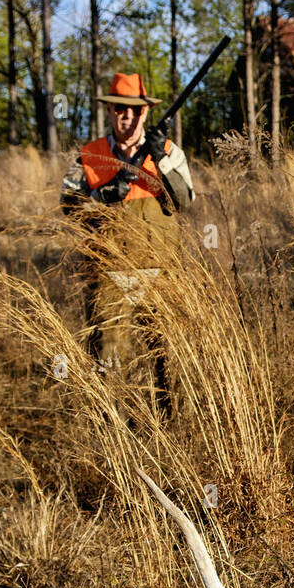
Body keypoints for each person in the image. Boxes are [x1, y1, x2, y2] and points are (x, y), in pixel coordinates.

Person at [60, 72, 193, 396]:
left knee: (167, 354)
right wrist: (101, 196)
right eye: (120, 109)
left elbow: (185, 200)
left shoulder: (169, 151)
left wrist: (160, 160)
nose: (127, 117)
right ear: (110, 112)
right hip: (107, 273)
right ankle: (111, 430)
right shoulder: (90, 155)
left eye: (134, 110)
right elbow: (68, 207)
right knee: (106, 356)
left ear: (145, 112)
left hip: (160, 270)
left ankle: (170, 425)